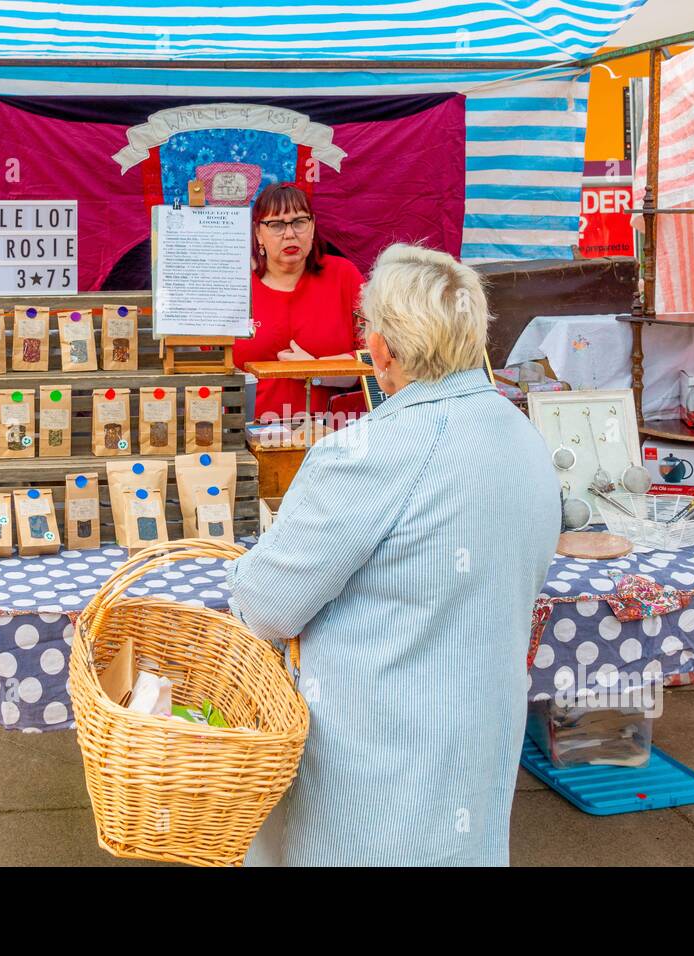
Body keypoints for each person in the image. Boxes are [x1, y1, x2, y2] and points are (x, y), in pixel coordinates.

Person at [228, 243, 560, 866]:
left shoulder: (369, 451)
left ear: (382, 349)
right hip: (480, 729)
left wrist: (243, 566)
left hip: (374, 747)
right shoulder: (522, 433)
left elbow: (266, 605)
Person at [234, 183, 365, 422]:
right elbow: (209, 367)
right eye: (276, 225)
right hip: (247, 434)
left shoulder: (343, 276)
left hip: (332, 434)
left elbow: (374, 358)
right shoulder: (236, 287)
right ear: (257, 233)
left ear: (312, 226)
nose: (290, 233)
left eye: (299, 222)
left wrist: (314, 368)